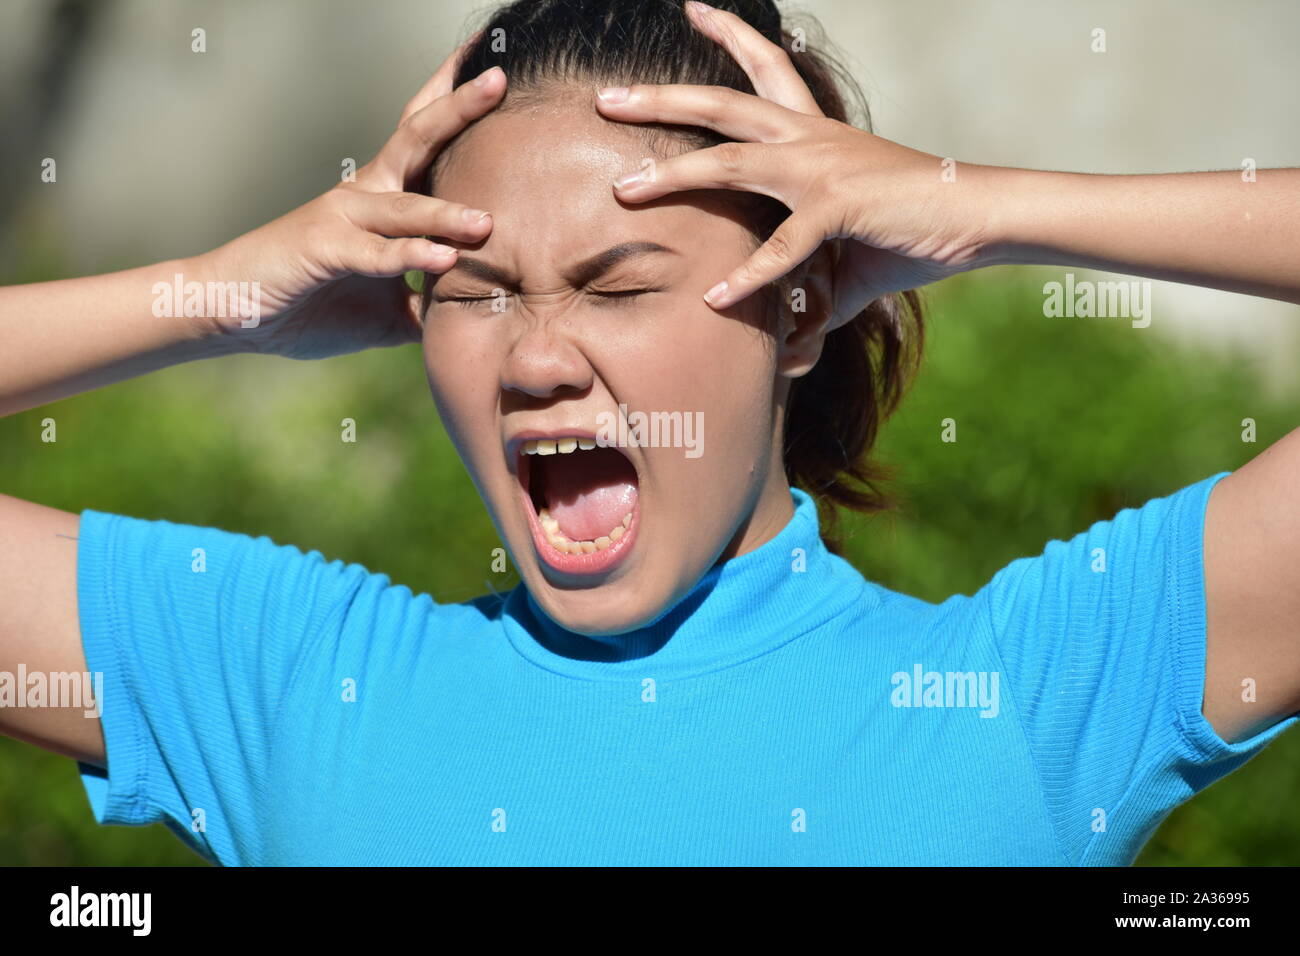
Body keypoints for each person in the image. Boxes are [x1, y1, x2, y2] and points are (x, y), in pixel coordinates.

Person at [1, 0, 1298, 865]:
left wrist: (978, 205)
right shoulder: (280, 678)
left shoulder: (1041, 691)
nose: (539, 355)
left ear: (804, 315)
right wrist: (222, 296)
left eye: (620, 285)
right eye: (478, 295)